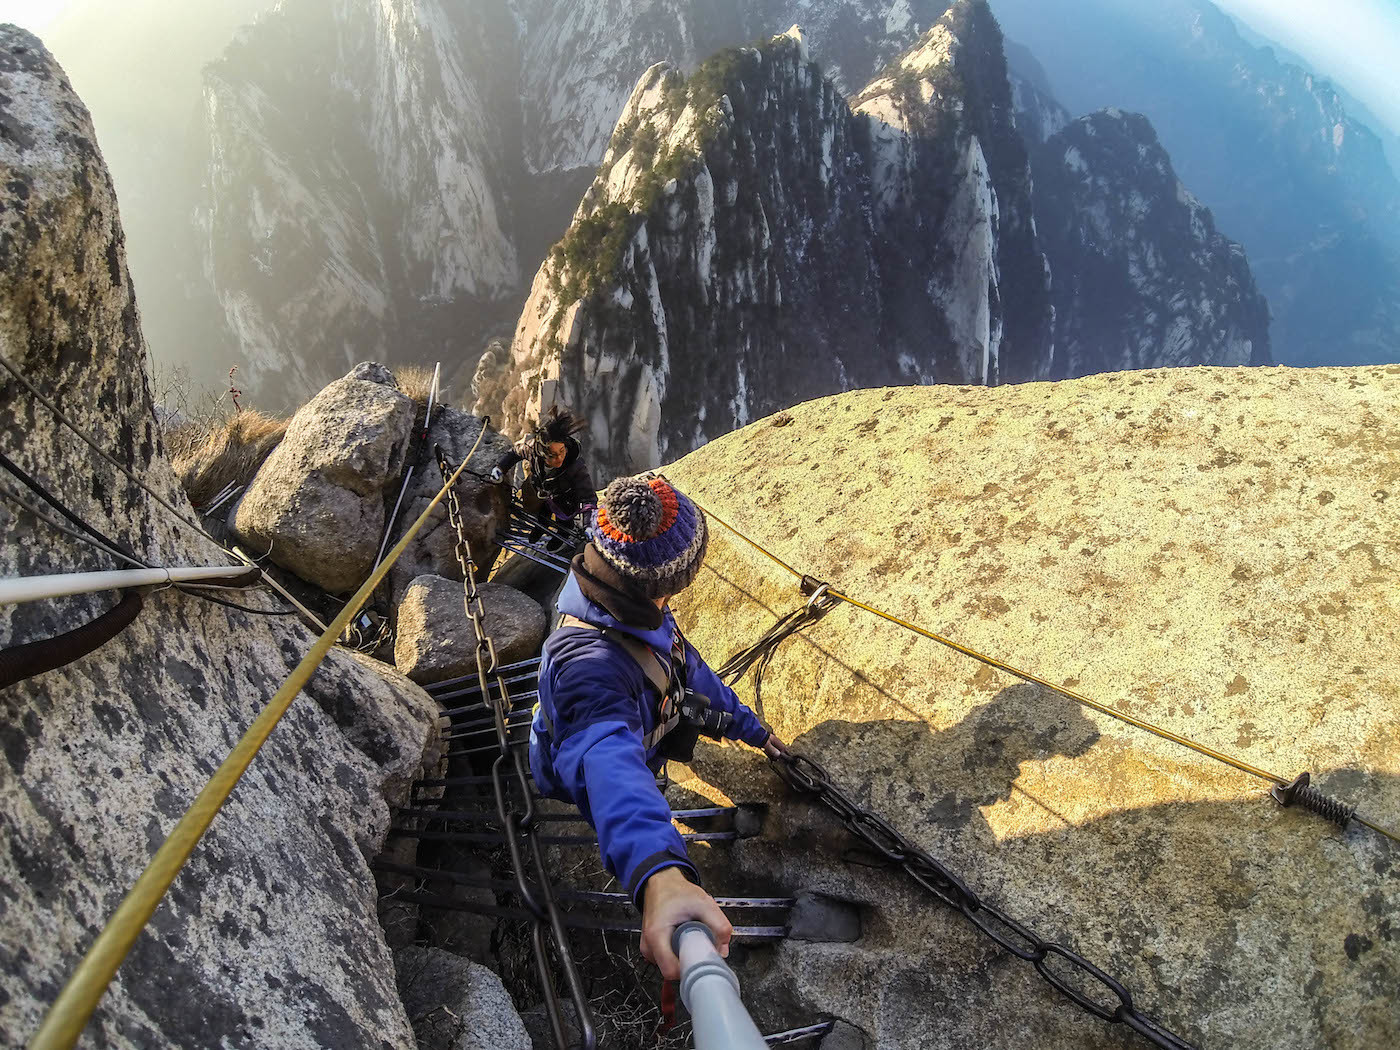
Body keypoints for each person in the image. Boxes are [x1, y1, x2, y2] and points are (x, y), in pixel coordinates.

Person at [528, 474, 787, 980]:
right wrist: (659, 871)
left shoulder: (627, 605)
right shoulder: (588, 664)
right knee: (626, 767)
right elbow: (607, 764)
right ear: (671, 580)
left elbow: (686, 668)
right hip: (579, 767)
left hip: (625, 737)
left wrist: (750, 728)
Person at [489, 406, 596, 550]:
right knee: (543, 512)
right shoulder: (532, 449)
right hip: (543, 491)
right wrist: (500, 468)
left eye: (562, 451)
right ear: (542, 453)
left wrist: (588, 525)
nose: (559, 458)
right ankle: (541, 527)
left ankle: (562, 534)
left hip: (565, 498)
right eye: (552, 455)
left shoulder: (575, 467)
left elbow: (587, 498)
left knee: (564, 520)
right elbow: (515, 452)